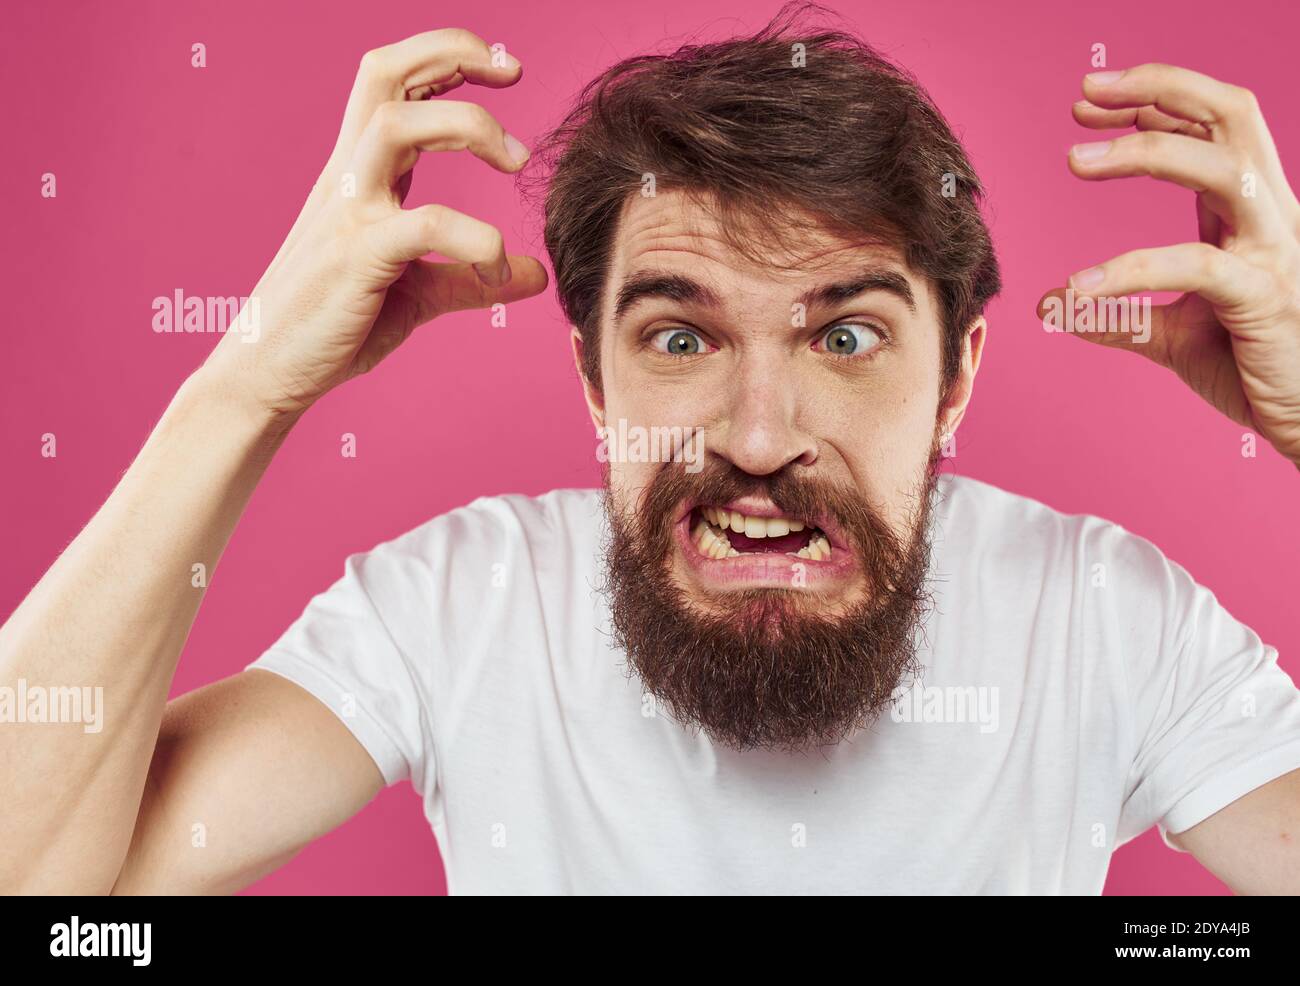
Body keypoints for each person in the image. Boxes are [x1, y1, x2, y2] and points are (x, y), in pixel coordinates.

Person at [4, 7, 1300, 895]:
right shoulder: (461, 606)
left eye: (845, 335)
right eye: (680, 340)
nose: (756, 434)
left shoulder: (1102, 620)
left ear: (958, 375)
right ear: (590, 375)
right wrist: (248, 382)